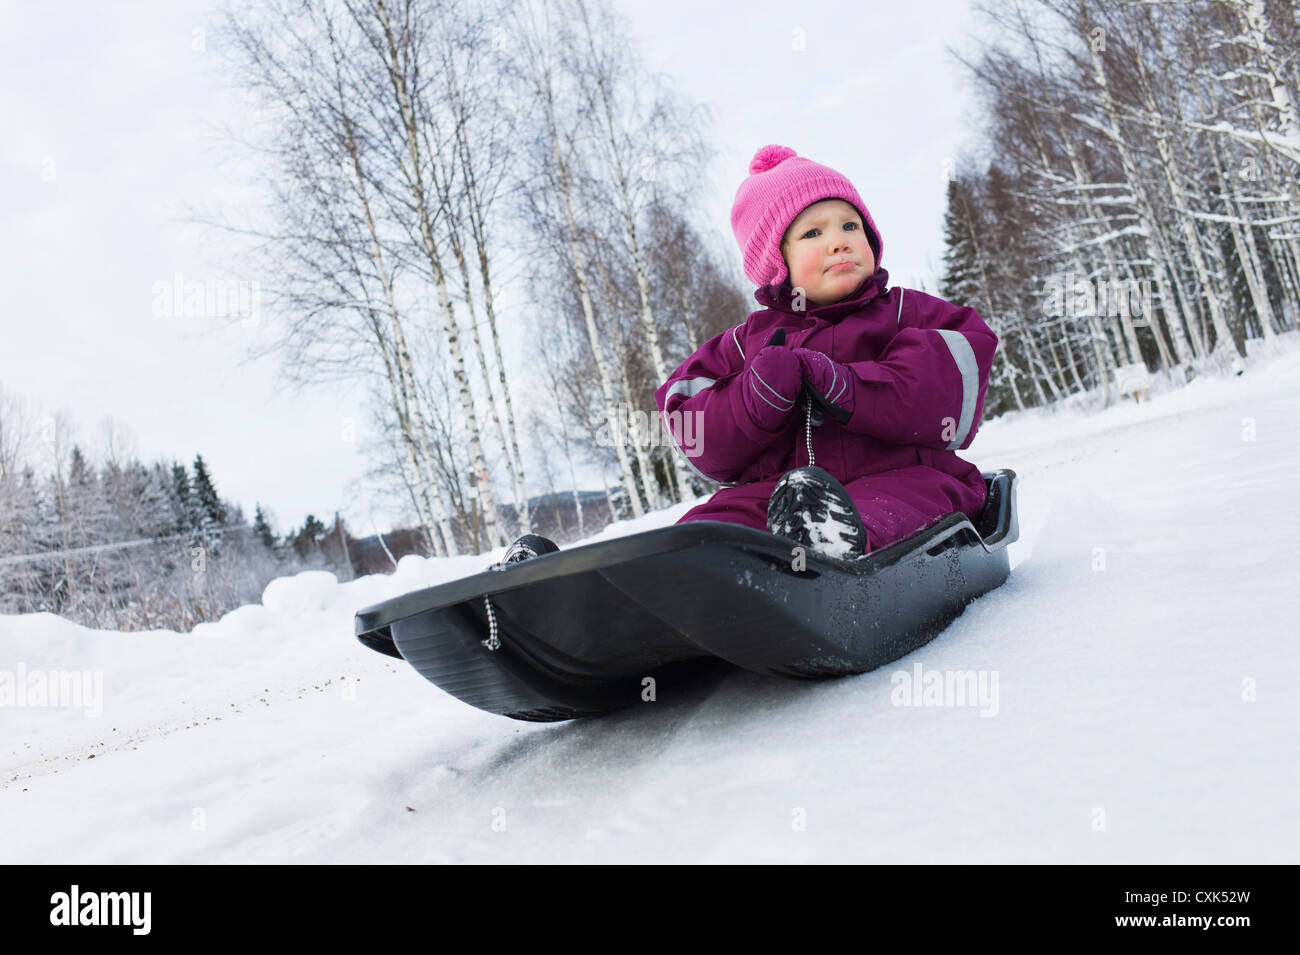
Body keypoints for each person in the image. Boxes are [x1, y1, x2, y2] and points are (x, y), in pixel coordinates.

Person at [653, 144, 998, 560]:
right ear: (774, 262)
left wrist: (853, 388)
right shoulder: (745, 344)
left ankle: (835, 550)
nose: (839, 242)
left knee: (889, 506)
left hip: (906, 476)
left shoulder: (908, 312)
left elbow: (951, 383)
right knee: (713, 527)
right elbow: (692, 425)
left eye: (850, 226)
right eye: (813, 233)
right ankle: (660, 579)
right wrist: (751, 403)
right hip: (778, 492)